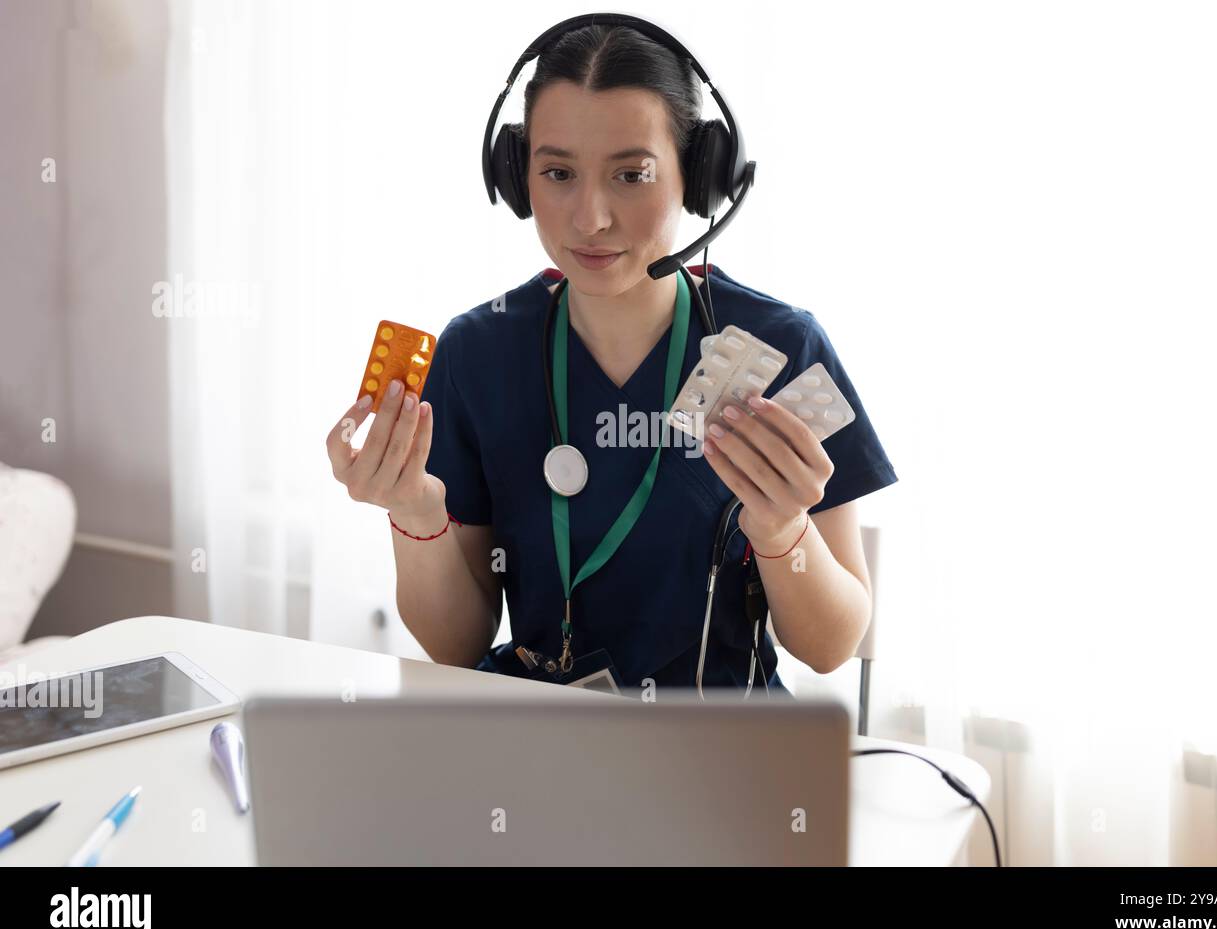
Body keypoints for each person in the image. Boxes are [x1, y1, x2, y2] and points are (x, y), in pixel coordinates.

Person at [325, 21, 897, 694]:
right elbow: (457, 645)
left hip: (725, 751)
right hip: (539, 741)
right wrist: (416, 515)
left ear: (699, 175)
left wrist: (780, 529)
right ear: (516, 176)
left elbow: (831, 646)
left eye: (631, 174)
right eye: (558, 172)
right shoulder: (478, 352)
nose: (590, 217)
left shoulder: (782, 347)